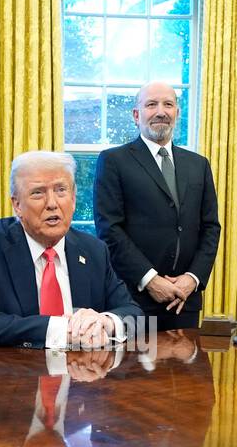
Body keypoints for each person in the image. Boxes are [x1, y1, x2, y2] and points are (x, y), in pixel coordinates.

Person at [0, 151, 142, 348]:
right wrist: (60, 330)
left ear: (74, 199)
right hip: (15, 373)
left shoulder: (93, 250)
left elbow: (135, 315)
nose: (52, 203)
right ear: (17, 205)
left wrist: (106, 322)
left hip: (85, 372)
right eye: (38, 192)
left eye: (61, 190)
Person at [93, 82, 221, 330]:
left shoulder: (199, 165)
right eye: (151, 104)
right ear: (136, 115)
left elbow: (210, 228)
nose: (160, 111)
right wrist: (150, 280)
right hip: (133, 298)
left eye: (168, 104)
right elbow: (110, 229)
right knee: (134, 369)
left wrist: (191, 279)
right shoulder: (113, 161)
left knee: (185, 369)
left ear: (177, 113)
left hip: (184, 300)